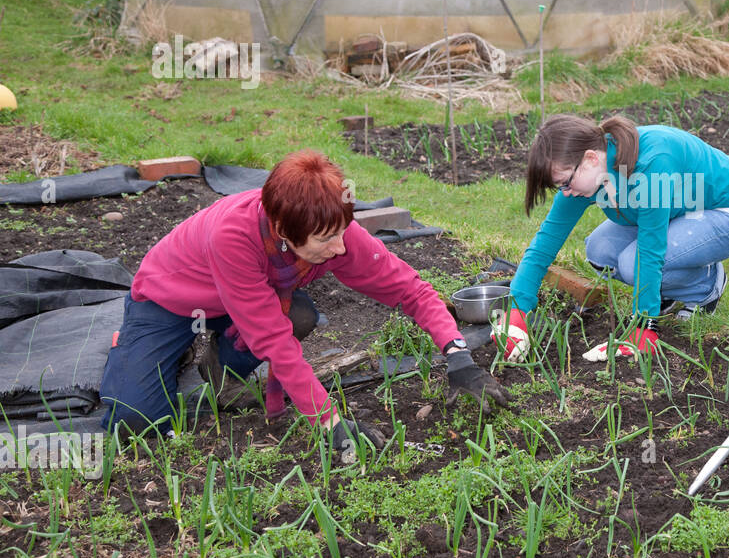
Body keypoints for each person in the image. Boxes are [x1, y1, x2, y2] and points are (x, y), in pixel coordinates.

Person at [99, 150, 507, 448]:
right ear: (282, 230)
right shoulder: (234, 237)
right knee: (136, 423)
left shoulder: (335, 232)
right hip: (172, 302)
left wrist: (458, 357)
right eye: (325, 240)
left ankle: (217, 359)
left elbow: (409, 288)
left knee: (299, 316)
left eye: (340, 233)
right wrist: (329, 423)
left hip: (237, 306)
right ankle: (141, 351)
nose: (339, 248)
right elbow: (274, 341)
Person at [497, 116, 729, 361]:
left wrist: (643, 327)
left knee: (633, 264)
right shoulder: (583, 179)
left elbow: (650, 249)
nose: (565, 193)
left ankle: (706, 286)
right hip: (678, 211)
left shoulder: (652, 164)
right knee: (599, 251)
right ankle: (670, 288)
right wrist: (517, 310)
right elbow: (545, 243)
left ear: (590, 158)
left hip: (725, 214)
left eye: (565, 182)